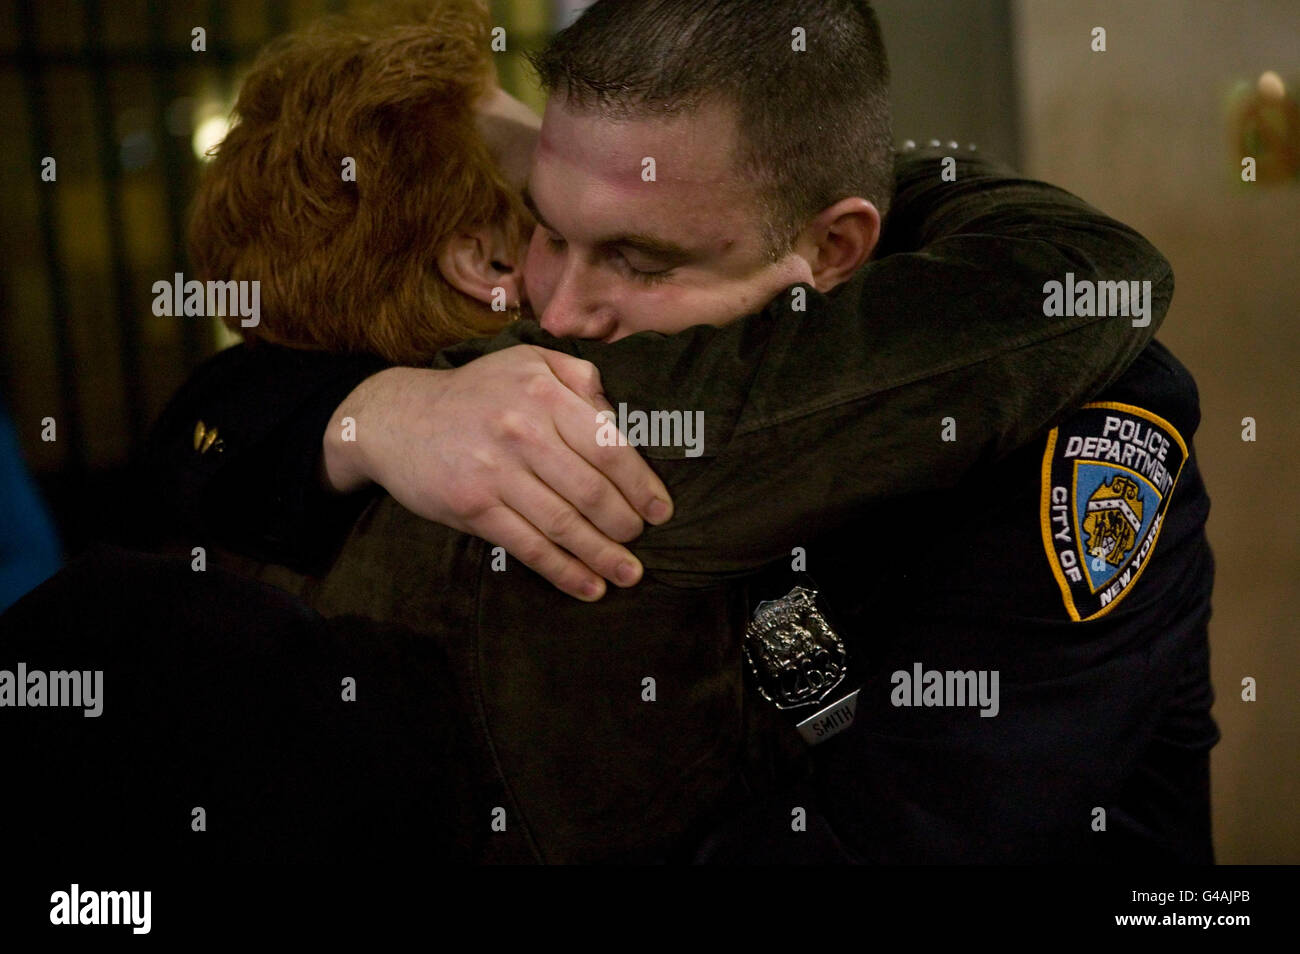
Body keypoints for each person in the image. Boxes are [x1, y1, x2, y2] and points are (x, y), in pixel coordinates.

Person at [126, 0, 1213, 864]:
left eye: (638, 259)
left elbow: (912, 828)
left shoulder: (1061, 427)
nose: (563, 312)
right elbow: (214, 423)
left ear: (836, 248)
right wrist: (373, 413)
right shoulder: (524, 408)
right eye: (545, 228)